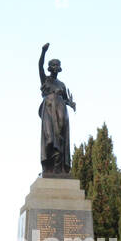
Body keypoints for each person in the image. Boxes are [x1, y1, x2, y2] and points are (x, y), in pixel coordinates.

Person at [38, 42, 76, 175]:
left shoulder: (62, 85)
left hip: (60, 110)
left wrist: (70, 104)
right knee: (49, 138)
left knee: (60, 137)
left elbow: (65, 99)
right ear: (50, 68)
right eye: (53, 65)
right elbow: (39, 66)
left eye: (57, 65)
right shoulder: (45, 80)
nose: (55, 67)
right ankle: (47, 166)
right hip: (49, 109)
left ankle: (58, 168)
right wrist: (43, 52)